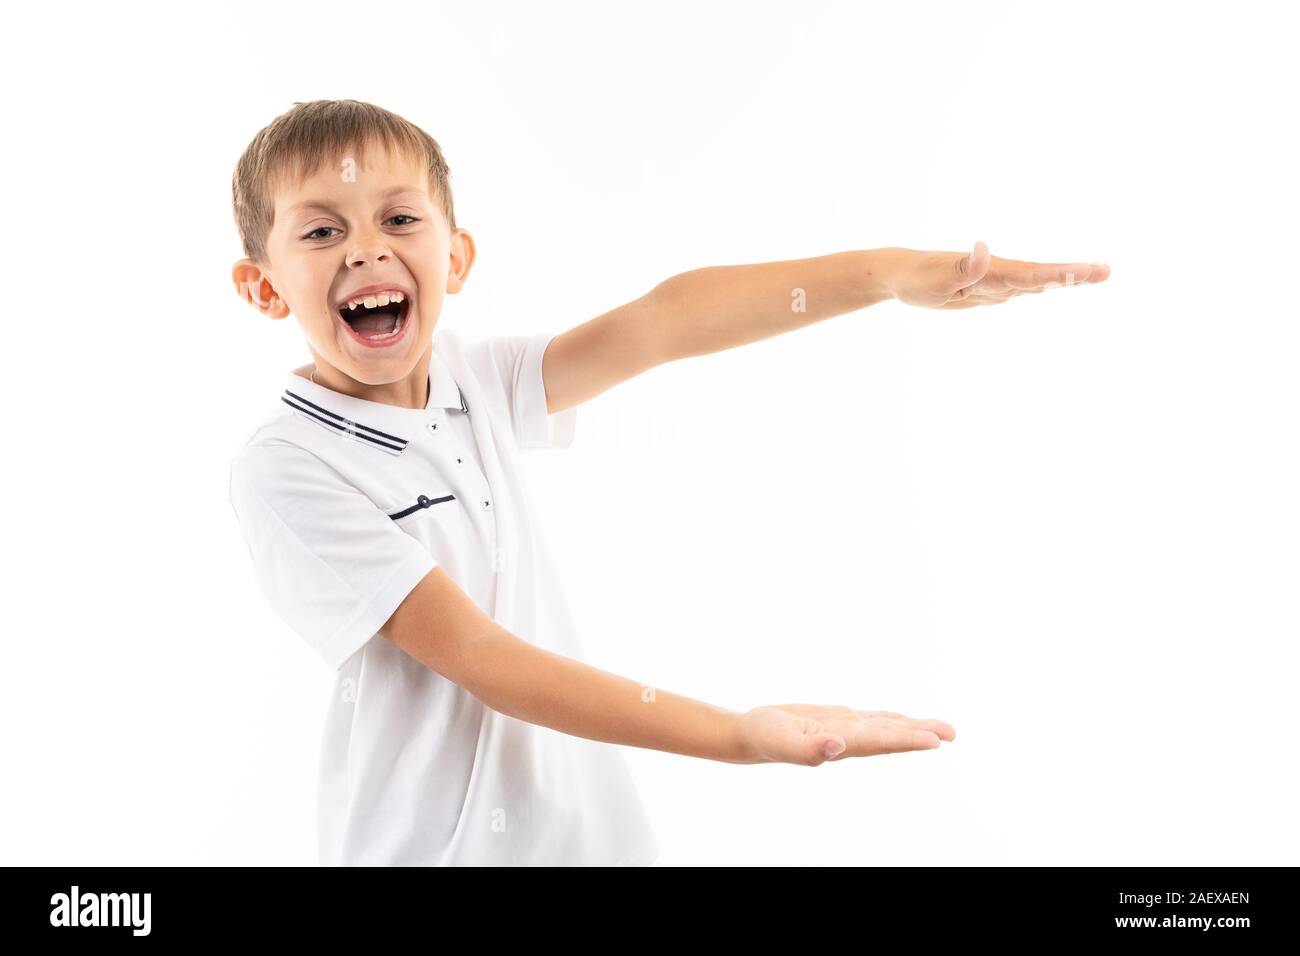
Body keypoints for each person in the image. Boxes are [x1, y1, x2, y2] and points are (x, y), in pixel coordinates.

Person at [227, 98, 1108, 866]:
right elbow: (488, 663)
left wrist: (884, 276)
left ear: (455, 259)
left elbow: (663, 321)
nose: (367, 252)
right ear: (263, 288)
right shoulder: (289, 468)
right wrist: (735, 734)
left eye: (399, 221)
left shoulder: (478, 384)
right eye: (320, 231)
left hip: (582, 842)